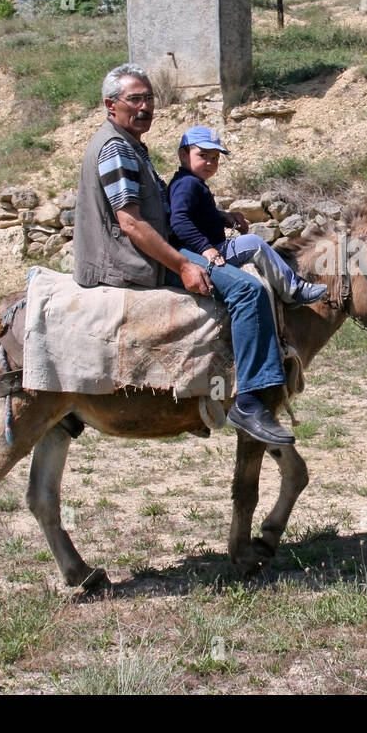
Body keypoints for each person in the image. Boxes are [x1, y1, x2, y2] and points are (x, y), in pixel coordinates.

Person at [72, 63, 294, 446]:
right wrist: (182, 264)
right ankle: (251, 402)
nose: (145, 107)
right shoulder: (115, 148)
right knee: (248, 291)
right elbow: (132, 224)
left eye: (149, 98)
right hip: (131, 259)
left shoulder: (129, 145)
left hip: (146, 251)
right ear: (111, 105)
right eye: (135, 99)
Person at [169, 126, 327, 306]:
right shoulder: (187, 184)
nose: (210, 162)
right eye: (203, 155)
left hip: (207, 247)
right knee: (255, 243)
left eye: (215, 158)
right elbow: (179, 220)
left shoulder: (191, 182)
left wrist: (224, 217)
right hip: (203, 251)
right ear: (183, 154)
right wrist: (206, 248)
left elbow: (197, 214)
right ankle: (294, 291)